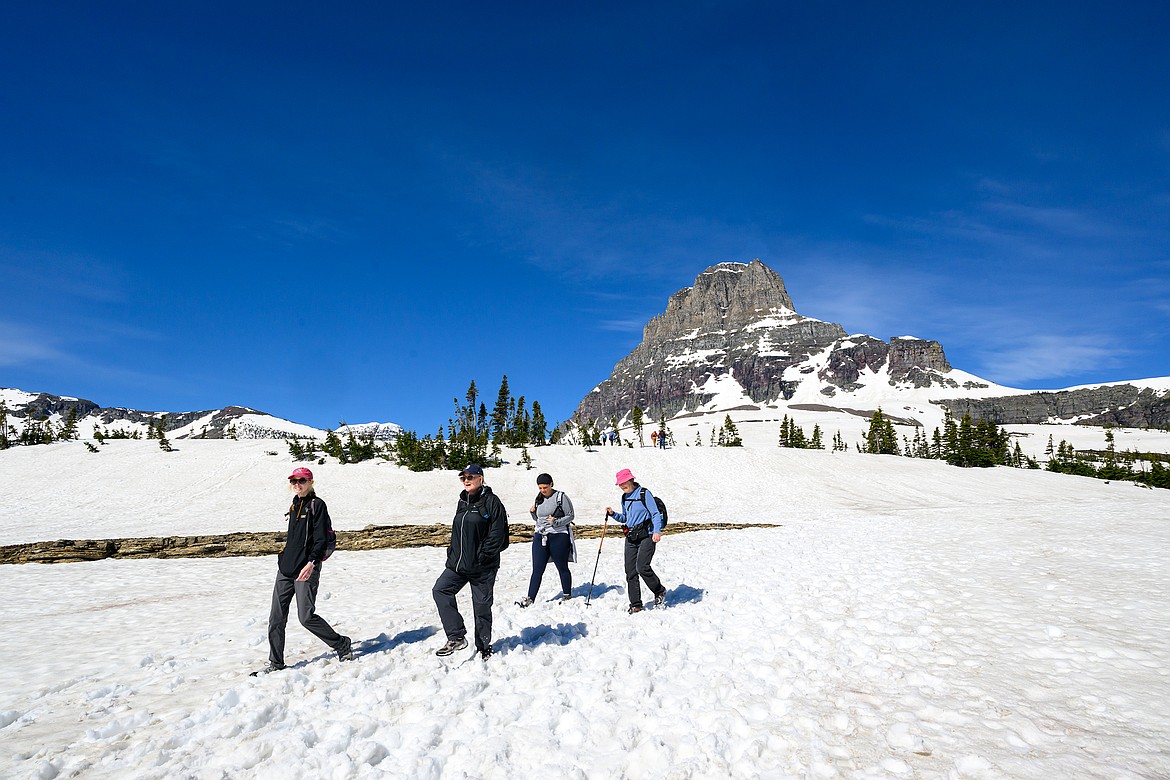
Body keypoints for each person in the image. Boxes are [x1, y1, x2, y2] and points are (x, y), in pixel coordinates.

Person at [254, 467, 352, 675]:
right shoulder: (294, 505)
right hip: (286, 568)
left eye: (302, 480)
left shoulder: (318, 505)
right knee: (276, 618)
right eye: (294, 481)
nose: (297, 484)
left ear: (311, 482)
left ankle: (341, 643)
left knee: (306, 616)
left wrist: (312, 563)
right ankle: (276, 662)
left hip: (306, 568)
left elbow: (321, 539)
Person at [433, 464, 510, 660]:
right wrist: (452, 553)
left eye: (471, 476)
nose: (466, 480)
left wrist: (482, 556)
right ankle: (456, 636)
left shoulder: (492, 502)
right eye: (463, 477)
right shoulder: (462, 501)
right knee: (440, 590)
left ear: (481, 478)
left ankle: (484, 647)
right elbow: (458, 531)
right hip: (458, 564)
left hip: (482, 566)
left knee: (481, 607)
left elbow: (498, 535)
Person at [605, 468, 666, 614]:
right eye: (620, 484)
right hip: (631, 537)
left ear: (631, 480)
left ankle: (659, 591)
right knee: (630, 571)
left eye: (623, 483)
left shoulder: (644, 493)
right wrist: (613, 514)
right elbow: (626, 518)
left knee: (642, 567)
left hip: (648, 535)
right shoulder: (624, 498)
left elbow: (655, 513)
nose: (621, 486)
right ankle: (636, 604)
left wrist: (657, 531)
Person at [516, 472, 576, 607]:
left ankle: (567, 594)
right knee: (537, 569)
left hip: (558, 536)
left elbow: (571, 516)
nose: (543, 490)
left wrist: (556, 521)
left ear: (551, 484)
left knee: (562, 566)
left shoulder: (561, 497)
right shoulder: (539, 498)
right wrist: (532, 513)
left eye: (545, 487)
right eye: (540, 488)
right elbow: (538, 519)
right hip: (540, 536)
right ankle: (530, 598)